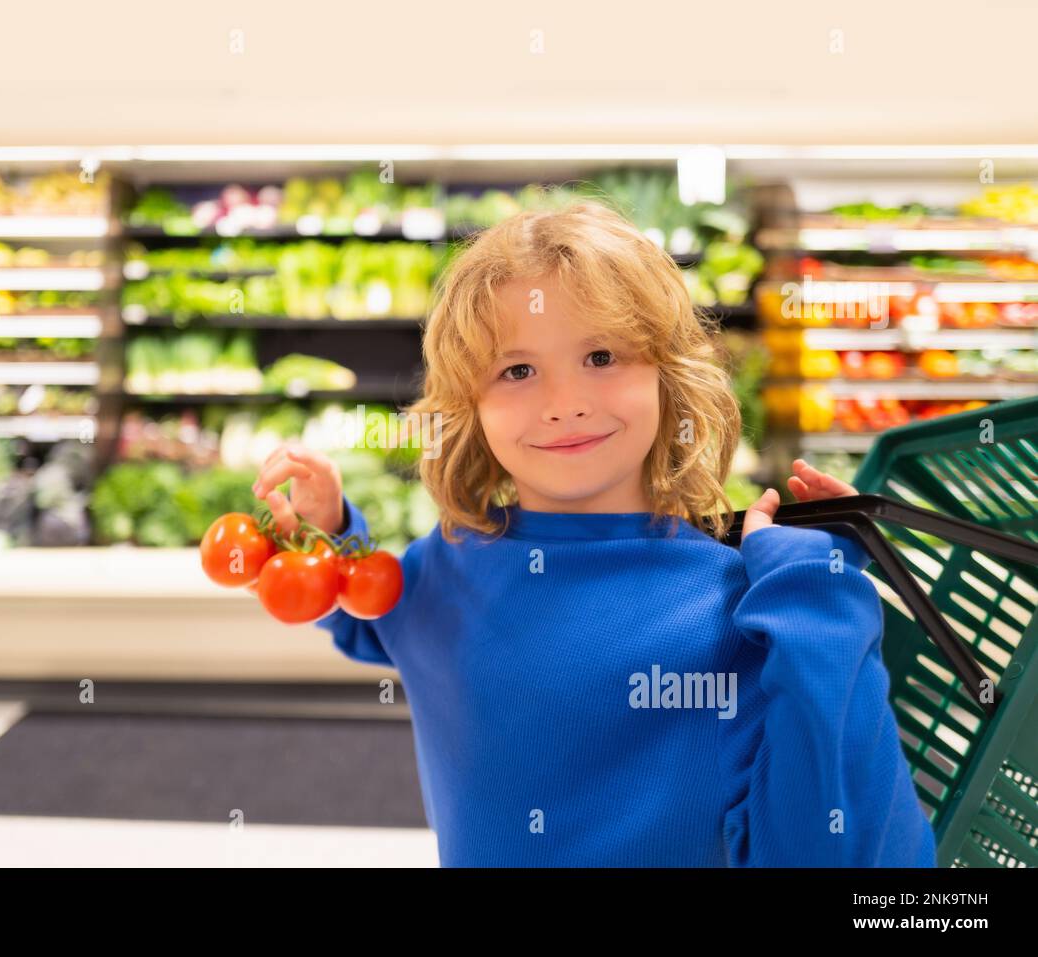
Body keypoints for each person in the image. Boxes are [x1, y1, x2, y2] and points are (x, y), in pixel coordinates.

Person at [249, 199, 937, 868]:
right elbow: (379, 613)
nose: (564, 403)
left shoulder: (743, 611)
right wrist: (333, 533)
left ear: (668, 376)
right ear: (470, 406)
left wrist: (821, 600)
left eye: (603, 356)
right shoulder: (447, 568)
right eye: (517, 370)